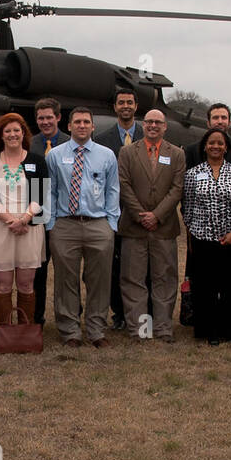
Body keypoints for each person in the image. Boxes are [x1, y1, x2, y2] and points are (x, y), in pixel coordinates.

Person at [44, 107, 120, 347]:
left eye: (87, 122)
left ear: (93, 126)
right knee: (66, 280)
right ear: (69, 126)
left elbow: (113, 189)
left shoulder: (107, 155)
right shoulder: (54, 155)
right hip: (66, 225)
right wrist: (52, 224)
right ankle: (70, 331)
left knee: (99, 280)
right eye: (77, 122)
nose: (82, 125)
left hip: (98, 225)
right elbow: (51, 191)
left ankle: (96, 329)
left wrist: (111, 223)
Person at [117, 109, 184, 342]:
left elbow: (177, 189)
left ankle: (164, 327)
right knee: (134, 280)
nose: (153, 125)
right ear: (142, 125)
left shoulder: (176, 154)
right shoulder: (127, 152)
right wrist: (140, 215)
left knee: (164, 279)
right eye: (149, 122)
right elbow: (123, 185)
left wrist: (156, 215)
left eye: (158, 122)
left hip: (163, 228)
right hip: (134, 228)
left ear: (165, 127)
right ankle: (141, 329)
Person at [0, 113, 48, 332]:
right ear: (1, 135)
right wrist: (11, 220)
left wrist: (25, 219)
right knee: (3, 284)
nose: (12, 135)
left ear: (23, 133)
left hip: (29, 229)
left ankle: (25, 331)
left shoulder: (36, 161)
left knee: (27, 284)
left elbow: (42, 196)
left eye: (16, 130)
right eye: (7, 131)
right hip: (0, 229)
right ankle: (5, 332)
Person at [181, 127, 231, 345]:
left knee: (230, 286)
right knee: (204, 287)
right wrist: (192, 238)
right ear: (204, 146)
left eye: (220, 143)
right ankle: (207, 330)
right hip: (202, 240)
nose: (215, 146)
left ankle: (230, 329)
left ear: (226, 147)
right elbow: (187, 209)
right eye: (211, 143)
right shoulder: (192, 174)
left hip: (230, 239)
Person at [95, 90, 144, 331]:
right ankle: (119, 314)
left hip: (142, 213)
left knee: (139, 267)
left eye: (129, 102)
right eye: (121, 103)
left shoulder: (148, 136)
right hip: (112, 213)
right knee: (113, 267)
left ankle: (142, 314)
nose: (125, 106)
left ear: (136, 106)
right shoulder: (102, 141)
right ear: (115, 107)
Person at [30, 97, 67, 323]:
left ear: (58, 118)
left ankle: (69, 316)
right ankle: (36, 317)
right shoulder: (29, 143)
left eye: (49, 117)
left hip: (63, 217)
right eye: (41, 118)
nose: (45, 122)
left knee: (65, 272)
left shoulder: (70, 143)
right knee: (37, 272)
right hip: (36, 218)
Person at [186, 103, 231, 168]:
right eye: (215, 118)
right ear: (208, 123)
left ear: (229, 123)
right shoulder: (193, 150)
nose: (220, 121)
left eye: (223, 118)